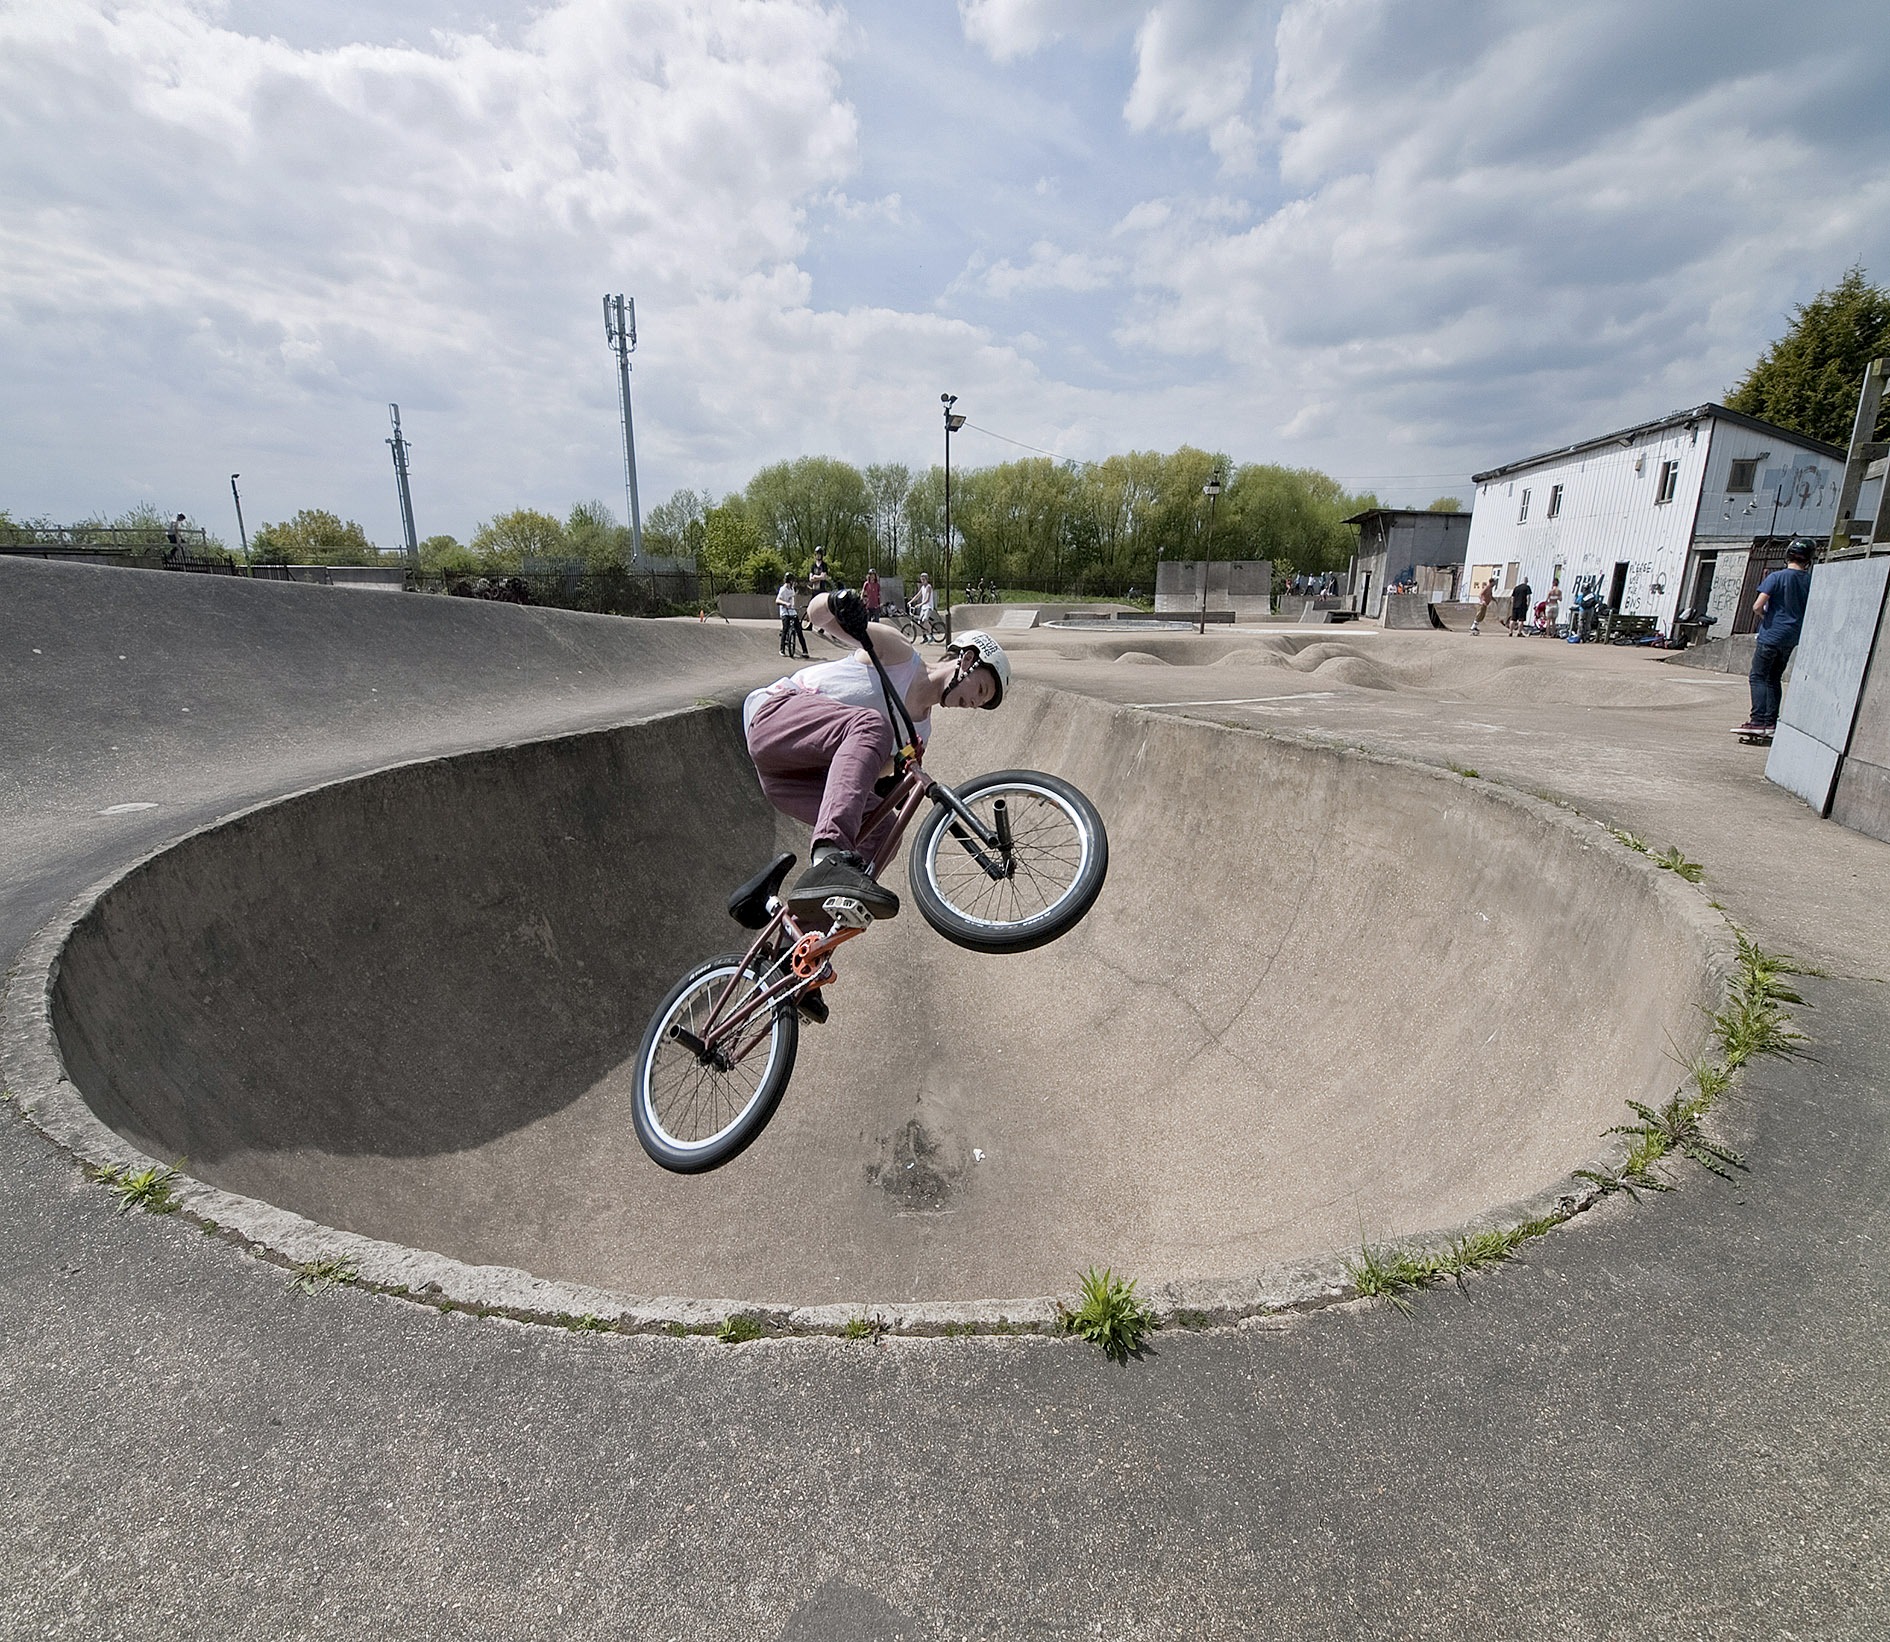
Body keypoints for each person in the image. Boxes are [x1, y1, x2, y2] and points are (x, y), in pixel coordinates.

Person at [743, 589, 1010, 919]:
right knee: (873, 725)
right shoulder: (898, 653)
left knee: (884, 831)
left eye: (980, 705)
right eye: (980, 690)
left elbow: (866, 772)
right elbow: (816, 616)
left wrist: (892, 771)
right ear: (966, 660)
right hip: (774, 719)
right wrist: (835, 602)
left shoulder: (920, 733)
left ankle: (802, 935)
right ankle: (829, 856)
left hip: (793, 781)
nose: (973, 704)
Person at [1740, 542, 1814, 737]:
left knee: (1758, 677)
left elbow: (1757, 606)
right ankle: (1771, 722)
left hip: (1771, 634)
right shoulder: (1810, 580)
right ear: (1808, 559)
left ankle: (1757, 720)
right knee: (1774, 679)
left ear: (1787, 555)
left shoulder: (1776, 577)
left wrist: (1766, 618)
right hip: (1791, 637)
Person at [775, 574, 806, 658]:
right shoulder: (783, 589)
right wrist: (785, 603)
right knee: (785, 628)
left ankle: (805, 651)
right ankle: (782, 650)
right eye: (793, 581)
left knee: (799, 630)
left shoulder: (791, 589)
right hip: (785, 612)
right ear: (790, 581)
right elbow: (777, 600)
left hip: (792, 611)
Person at [914, 571, 938, 637]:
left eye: (924, 579)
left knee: (925, 620)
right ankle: (925, 637)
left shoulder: (928, 587)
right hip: (923, 607)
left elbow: (927, 600)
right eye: (921, 579)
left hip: (929, 607)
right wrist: (910, 601)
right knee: (920, 622)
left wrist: (919, 604)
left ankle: (931, 635)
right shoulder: (922, 587)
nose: (922, 581)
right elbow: (917, 596)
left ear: (926, 579)